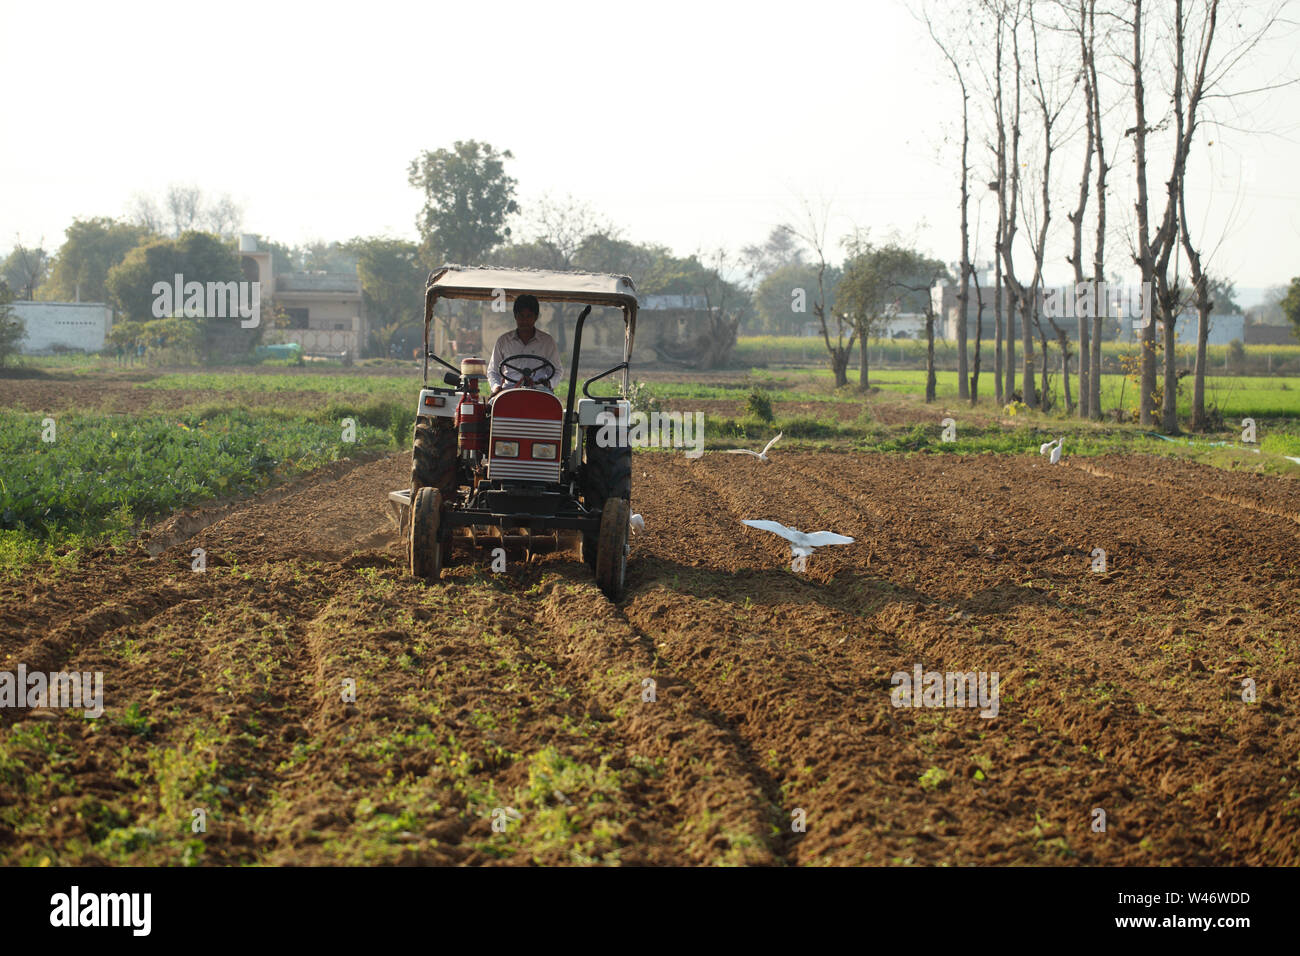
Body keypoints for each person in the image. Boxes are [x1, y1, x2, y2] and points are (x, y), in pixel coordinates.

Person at [486, 294, 563, 393]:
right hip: (510, 391)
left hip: (539, 391)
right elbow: (493, 371)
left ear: (535, 317)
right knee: (492, 407)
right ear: (515, 316)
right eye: (521, 316)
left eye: (529, 316)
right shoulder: (503, 341)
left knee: (553, 407)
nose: (524, 321)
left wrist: (549, 383)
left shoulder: (547, 342)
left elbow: (557, 371)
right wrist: (496, 387)